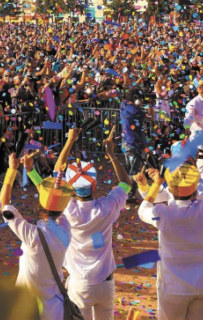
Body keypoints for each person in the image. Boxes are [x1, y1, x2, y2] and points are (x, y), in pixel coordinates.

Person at [0, 127, 79, 320]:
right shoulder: (66, 227)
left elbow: (3, 204)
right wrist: (31, 171)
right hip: (54, 310)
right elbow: (51, 198)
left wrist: (12, 170)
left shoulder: (32, 235)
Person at [62, 128, 131, 320]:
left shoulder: (68, 210)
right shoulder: (107, 207)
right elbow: (125, 182)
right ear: (94, 186)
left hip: (80, 284)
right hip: (105, 284)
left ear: (71, 189)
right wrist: (111, 154)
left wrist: (70, 141)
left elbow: (56, 174)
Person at [137, 164, 203, 320]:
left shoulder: (162, 214)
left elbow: (143, 210)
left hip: (174, 288)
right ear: (195, 188)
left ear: (170, 190)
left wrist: (156, 185)